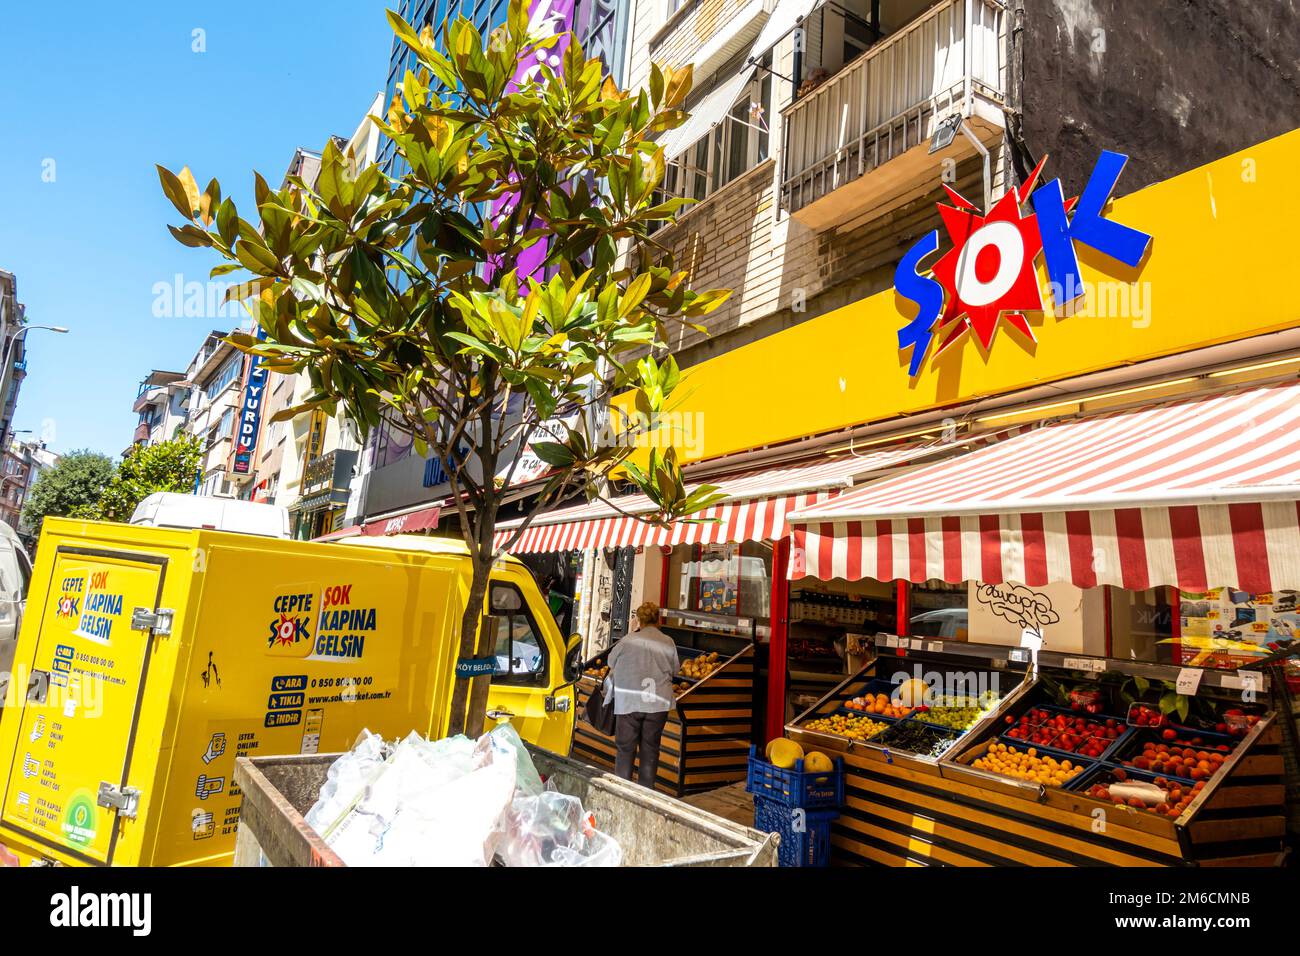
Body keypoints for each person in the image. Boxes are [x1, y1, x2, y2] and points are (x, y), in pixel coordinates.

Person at [605, 601, 678, 787]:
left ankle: (623, 790)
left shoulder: (628, 640)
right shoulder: (668, 641)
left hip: (629, 701)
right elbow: (675, 670)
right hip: (657, 702)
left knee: (625, 749)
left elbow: (611, 661)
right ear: (658, 620)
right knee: (650, 750)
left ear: (639, 620)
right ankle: (647, 793)